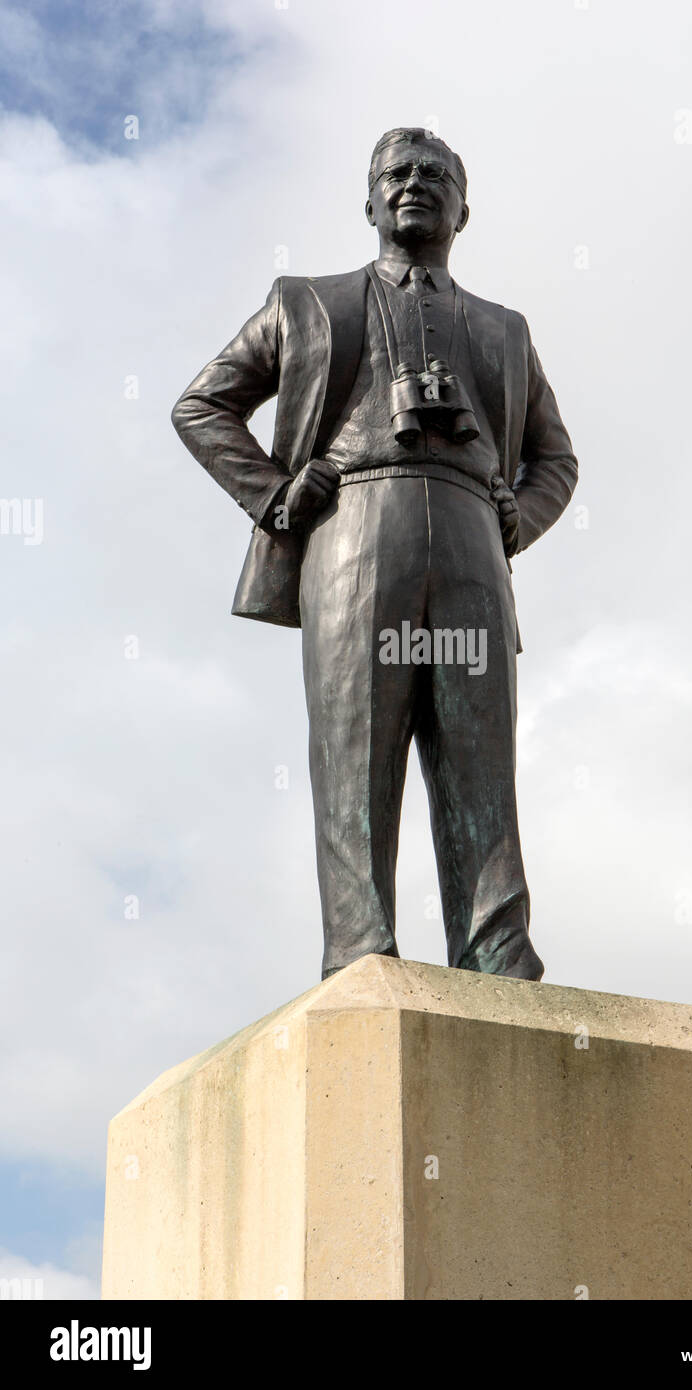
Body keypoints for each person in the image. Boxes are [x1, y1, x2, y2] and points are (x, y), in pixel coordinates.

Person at [171, 127, 578, 981]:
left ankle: (498, 951)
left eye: (436, 176)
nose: (415, 185)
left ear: (465, 208)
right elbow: (202, 406)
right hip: (356, 529)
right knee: (356, 749)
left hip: (472, 535)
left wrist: (518, 518)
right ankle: (360, 954)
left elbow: (557, 458)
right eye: (396, 174)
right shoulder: (307, 302)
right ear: (368, 202)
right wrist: (278, 494)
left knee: (482, 760)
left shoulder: (505, 330)